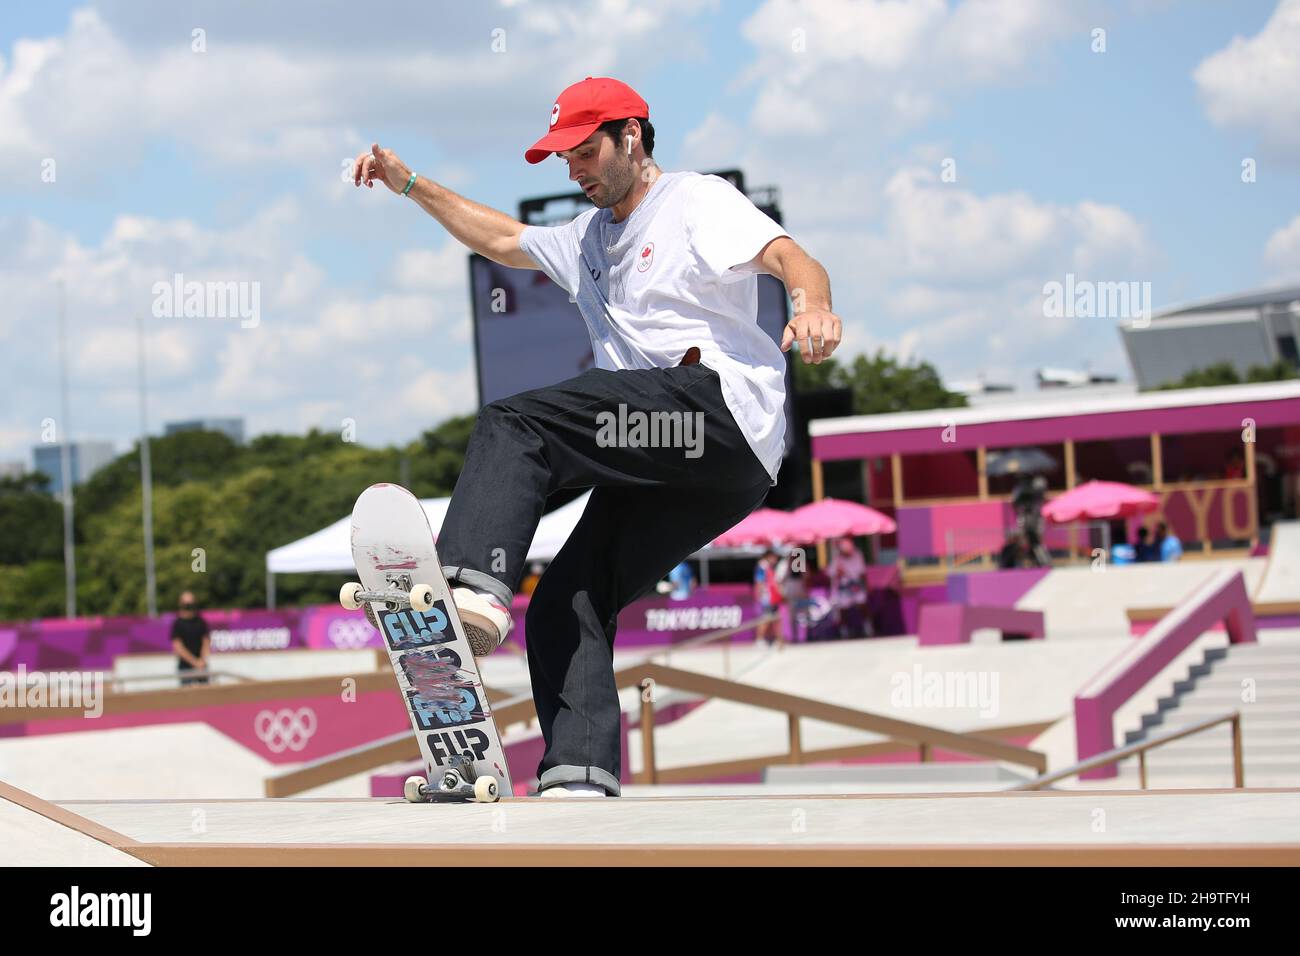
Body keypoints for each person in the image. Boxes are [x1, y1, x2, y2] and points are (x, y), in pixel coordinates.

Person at [351, 77, 840, 799]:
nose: (576, 171)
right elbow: (500, 238)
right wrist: (410, 184)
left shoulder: (694, 201)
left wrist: (813, 305)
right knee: (568, 598)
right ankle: (579, 777)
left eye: (586, 153)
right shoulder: (583, 238)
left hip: (713, 413)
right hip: (701, 472)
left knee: (517, 424)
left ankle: (474, 585)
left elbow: (791, 257)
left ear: (631, 137)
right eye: (566, 159)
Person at [825, 535, 870, 638]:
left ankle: (868, 628)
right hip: (844, 587)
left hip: (856, 584)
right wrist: (838, 572)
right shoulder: (837, 559)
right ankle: (844, 632)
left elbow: (862, 573)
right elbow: (831, 574)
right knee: (843, 609)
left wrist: (867, 586)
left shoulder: (858, 555)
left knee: (863, 606)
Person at [170, 591, 210, 687]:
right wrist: (195, 662)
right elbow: (178, 647)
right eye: (186, 604)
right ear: (181, 604)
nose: (188, 607)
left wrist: (201, 661)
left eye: (190, 604)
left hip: (201, 666)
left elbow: (206, 642)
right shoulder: (178, 624)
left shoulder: (200, 622)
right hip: (185, 668)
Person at [753, 550, 785, 645]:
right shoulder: (762, 566)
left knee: (775, 618)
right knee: (766, 618)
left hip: (773, 596)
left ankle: (775, 639)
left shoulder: (770, 567)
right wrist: (759, 594)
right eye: (774, 557)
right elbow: (759, 581)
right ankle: (759, 639)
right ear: (768, 556)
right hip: (767, 596)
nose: (776, 559)